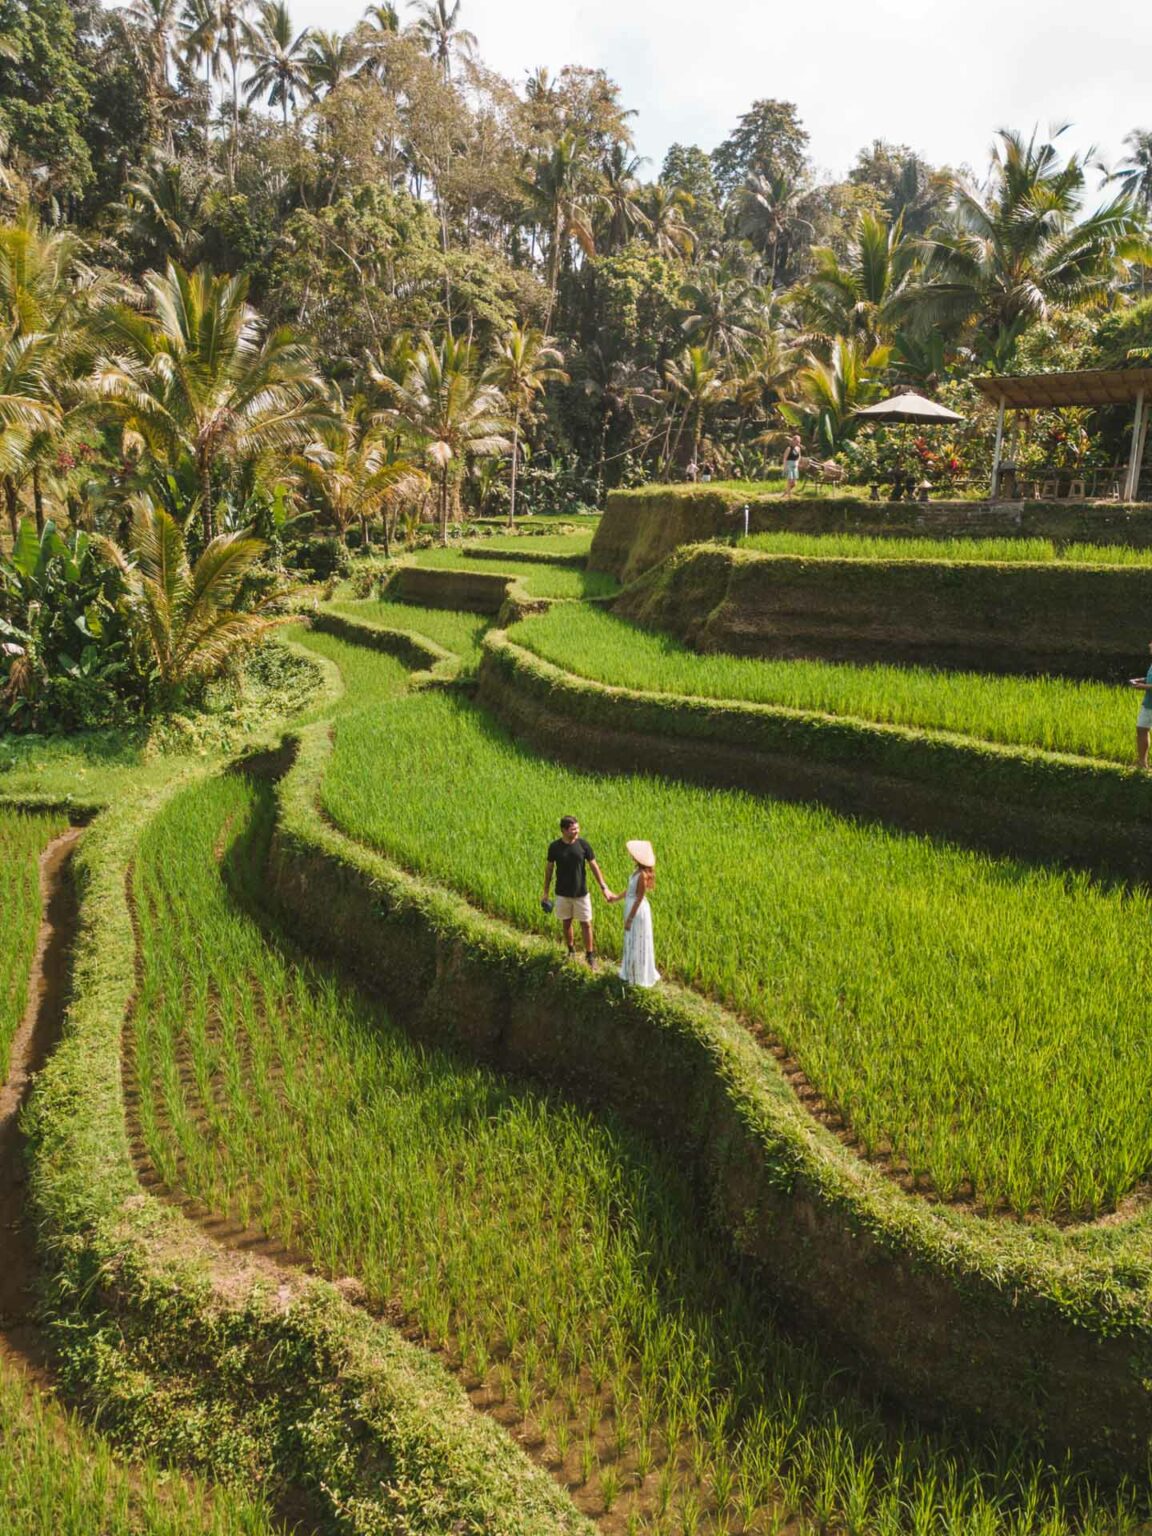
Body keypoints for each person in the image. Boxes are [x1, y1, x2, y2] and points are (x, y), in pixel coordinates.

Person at [542, 816, 614, 967]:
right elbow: (549, 870)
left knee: (586, 923)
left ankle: (590, 955)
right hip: (562, 893)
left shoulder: (583, 845)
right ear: (563, 830)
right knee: (567, 922)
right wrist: (545, 893)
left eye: (577, 828)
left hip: (581, 892)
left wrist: (603, 887)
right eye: (573, 829)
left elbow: (594, 866)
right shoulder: (554, 847)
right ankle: (571, 951)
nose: (577, 831)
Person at [607, 839, 660, 988]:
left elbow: (639, 897)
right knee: (632, 939)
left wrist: (630, 918)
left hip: (637, 910)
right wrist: (616, 898)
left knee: (637, 939)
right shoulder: (636, 871)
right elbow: (630, 890)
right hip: (631, 906)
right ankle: (631, 971)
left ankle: (639, 976)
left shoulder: (643, 875)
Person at [1128, 640, 1152, 768]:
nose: (1149, 645)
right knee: (1142, 729)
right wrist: (1139, 680)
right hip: (1148, 704)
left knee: (1143, 729)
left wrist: (1142, 686)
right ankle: (1142, 763)